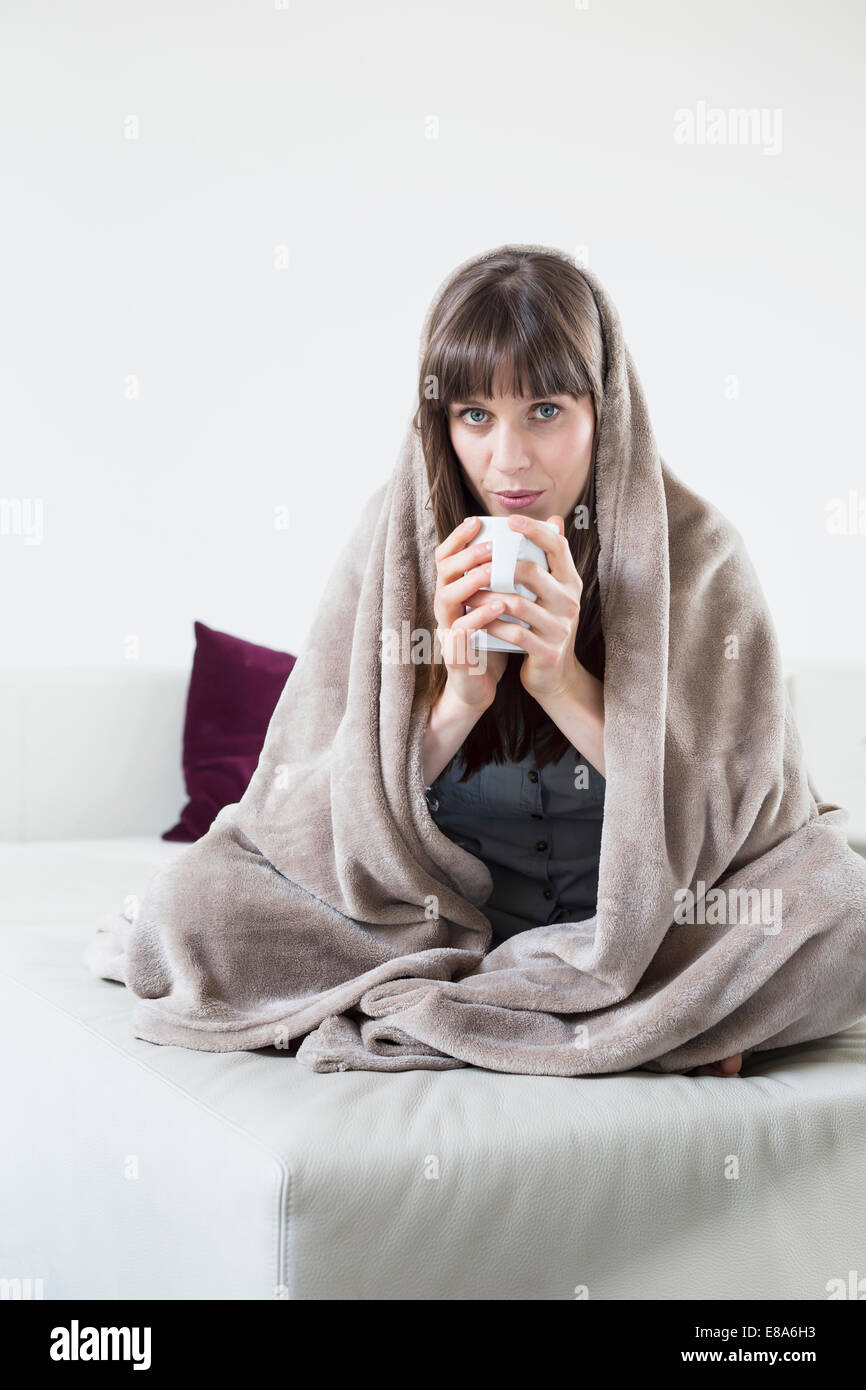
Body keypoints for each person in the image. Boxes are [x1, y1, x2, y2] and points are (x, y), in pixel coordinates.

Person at [415, 248, 743, 1078]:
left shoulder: (698, 552)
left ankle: (613, 995)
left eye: (546, 410)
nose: (510, 461)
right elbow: (338, 809)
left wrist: (564, 684)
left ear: (606, 410)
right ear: (441, 423)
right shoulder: (396, 550)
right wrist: (459, 697)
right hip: (453, 923)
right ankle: (648, 1017)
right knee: (202, 907)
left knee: (841, 905)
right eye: (476, 416)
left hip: (649, 925)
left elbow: (725, 821)